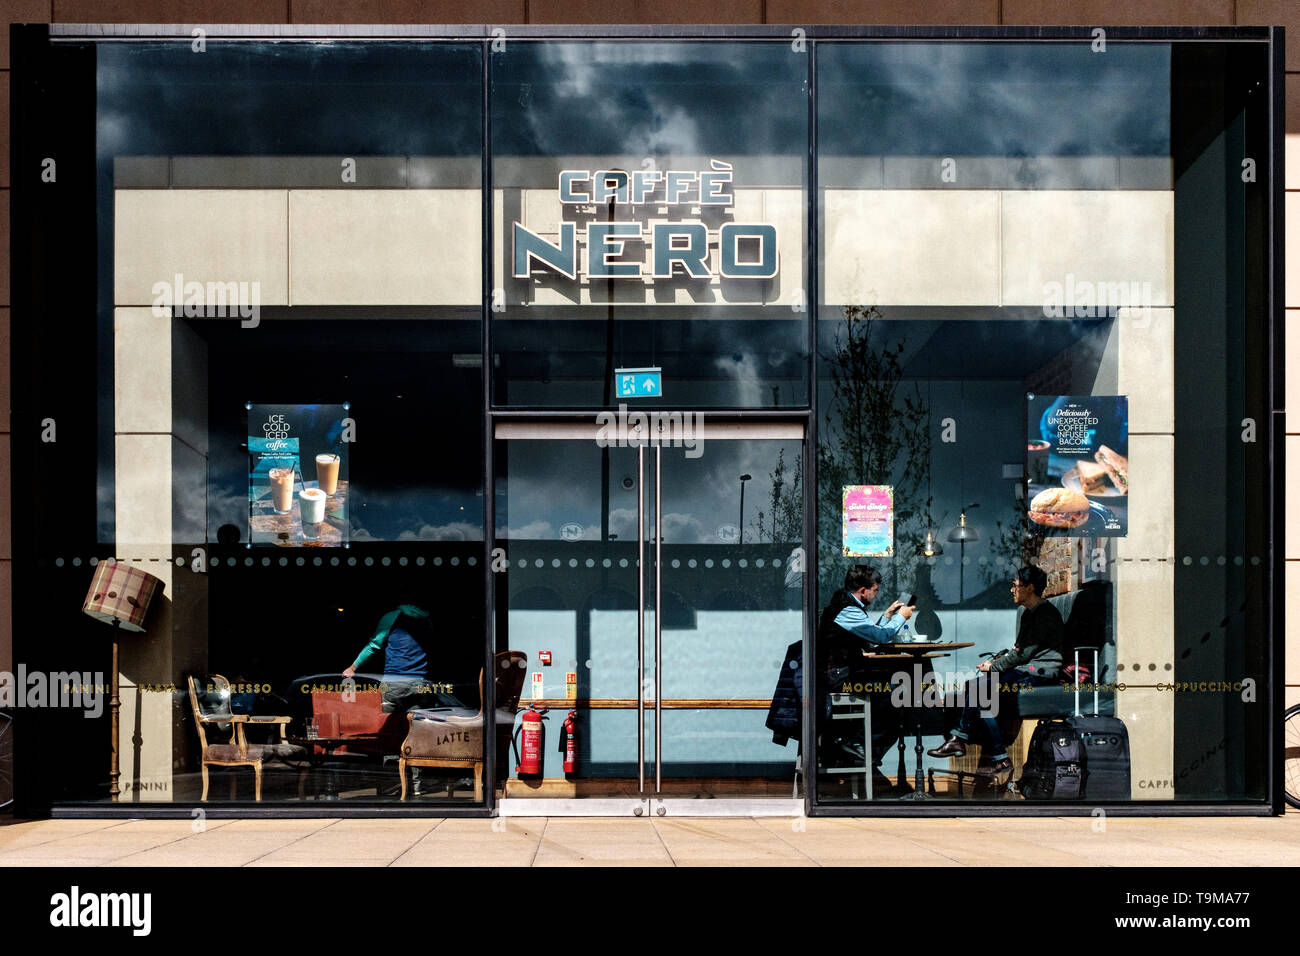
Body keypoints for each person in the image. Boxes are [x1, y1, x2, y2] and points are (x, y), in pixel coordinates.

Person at [927, 565, 1065, 772]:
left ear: (1030, 588)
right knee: (976, 688)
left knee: (979, 691)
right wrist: (997, 663)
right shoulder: (1028, 613)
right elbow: (1019, 650)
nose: (1012, 590)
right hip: (1025, 670)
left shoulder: (1045, 614)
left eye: (1016, 585)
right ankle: (992, 755)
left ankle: (963, 741)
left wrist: (993, 667)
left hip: (1040, 674)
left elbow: (1023, 654)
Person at [818, 565, 915, 794]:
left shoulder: (847, 606)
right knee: (898, 697)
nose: (877, 594)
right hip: (837, 677)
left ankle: (862, 752)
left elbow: (869, 638)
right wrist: (900, 618)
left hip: (842, 673)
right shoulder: (846, 610)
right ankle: (857, 747)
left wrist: (887, 616)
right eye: (875, 590)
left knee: (897, 694)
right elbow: (879, 637)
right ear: (863, 590)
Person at [343, 603, 438, 714]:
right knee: (416, 727)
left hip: (394, 683)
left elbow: (373, 646)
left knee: (387, 727)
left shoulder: (392, 617)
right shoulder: (428, 620)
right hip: (421, 684)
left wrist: (352, 668)